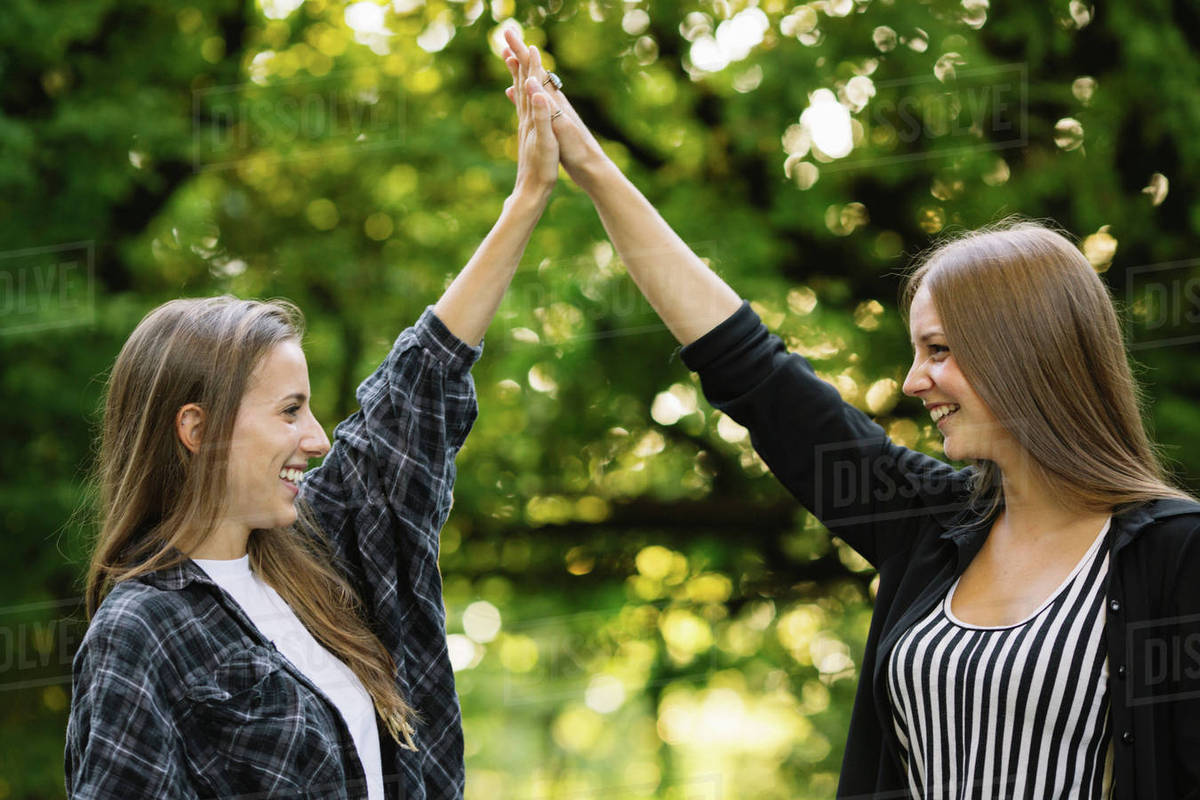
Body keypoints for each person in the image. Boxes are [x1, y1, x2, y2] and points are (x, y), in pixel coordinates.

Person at [500, 30, 1200, 799]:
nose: (911, 382)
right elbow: (753, 372)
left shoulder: (1173, 555)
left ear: (1020, 349)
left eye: (938, 351)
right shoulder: (929, 526)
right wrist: (591, 167)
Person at [63, 58, 562, 800]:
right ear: (196, 428)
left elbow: (414, 389)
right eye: (290, 410)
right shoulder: (141, 633)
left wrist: (527, 200)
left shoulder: (315, 550)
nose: (319, 438)